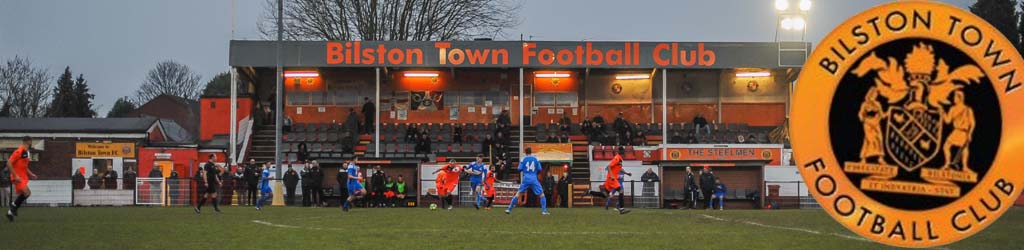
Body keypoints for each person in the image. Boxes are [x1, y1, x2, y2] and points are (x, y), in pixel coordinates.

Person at [505, 147, 549, 215]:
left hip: (526, 178)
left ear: (525, 152)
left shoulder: (523, 159)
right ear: (531, 152)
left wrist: (525, 170)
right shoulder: (536, 158)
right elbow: (540, 168)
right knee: (541, 194)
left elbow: (519, 168)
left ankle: (509, 209)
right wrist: (535, 172)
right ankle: (544, 211)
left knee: (518, 193)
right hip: (534, 178)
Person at [589, 147, 630, 214]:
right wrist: (611, 175)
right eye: (624, 153)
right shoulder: (617, 158)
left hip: (610, 179)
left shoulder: (620, 159)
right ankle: (621, 209)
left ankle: (590, 192)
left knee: (605, 195)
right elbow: (608, 166)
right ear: (622, 153)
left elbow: (619, 169)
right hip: (612, 178)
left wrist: (627, 173)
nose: (625, 154)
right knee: (621, 190)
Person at [6, 136, 37, 222]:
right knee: (27, 192)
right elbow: (8, 163)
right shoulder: (19, 151)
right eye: (31, 141)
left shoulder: (26, 152)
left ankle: (10, 212)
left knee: (27, 193)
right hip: (18, 176)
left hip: (22, 176)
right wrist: (15, 176)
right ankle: (13, 206)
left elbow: (24, 166)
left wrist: (31, 174)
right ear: (28, 141)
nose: (32, 143)